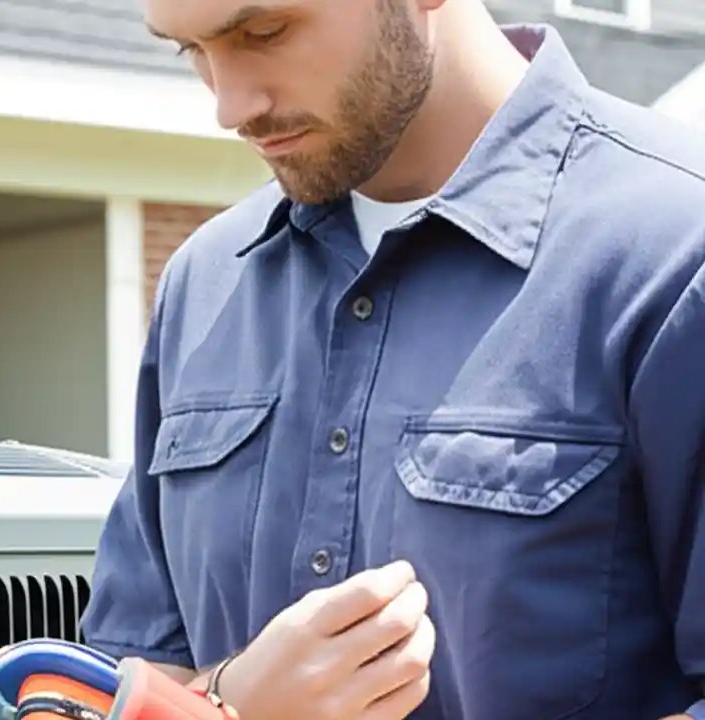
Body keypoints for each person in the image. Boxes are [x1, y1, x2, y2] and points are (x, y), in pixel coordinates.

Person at [75, 0, 705, 718]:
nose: (229, 104)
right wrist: (227, 702)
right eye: (188, 50)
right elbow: (118, 671)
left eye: (263, 32)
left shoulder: (678, 255)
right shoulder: (205, 283)